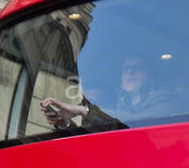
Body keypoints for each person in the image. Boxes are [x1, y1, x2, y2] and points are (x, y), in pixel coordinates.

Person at [40, 55, 171, 133]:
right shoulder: (115, 105)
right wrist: (65, 123)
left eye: (138, 68)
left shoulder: (167, 100)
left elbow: (128, 126)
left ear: (152, 77)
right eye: (126, 69)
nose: (130, 72)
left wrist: (85, 111)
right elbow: (89, 142)